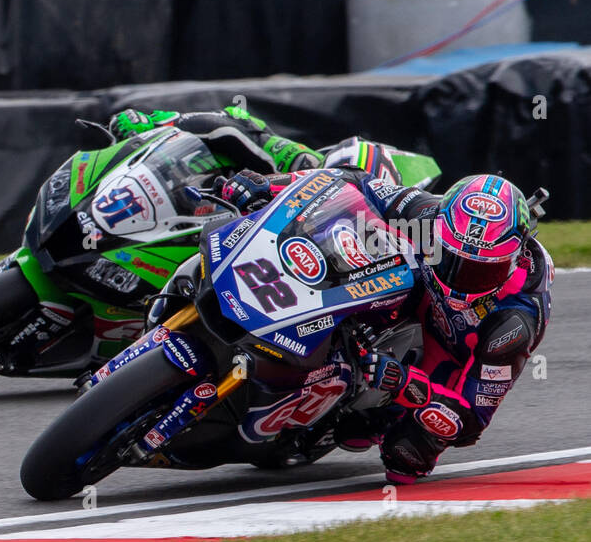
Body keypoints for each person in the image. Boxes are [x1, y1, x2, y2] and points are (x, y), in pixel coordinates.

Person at [218, 168, 552, 483]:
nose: (457, 281)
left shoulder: (512, 323)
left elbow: (471, 420)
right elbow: (348, 179)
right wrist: (271, 183)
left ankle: (372, 417)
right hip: (410, 291)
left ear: (513, 259)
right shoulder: (426, 214)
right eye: (449, 258)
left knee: (406, 457)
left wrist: (406, 384)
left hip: (451, 354)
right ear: (439, 226)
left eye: (479, 271)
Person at [108, 103, 324, 174]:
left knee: (307, 164)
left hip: (261, 146)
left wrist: (271, 179)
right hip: (228, 188)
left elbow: (227, 132)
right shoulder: (151, 154)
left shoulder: (184, 125)